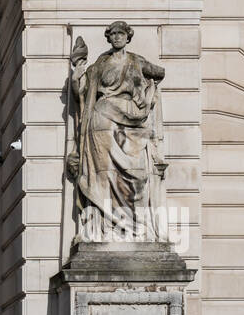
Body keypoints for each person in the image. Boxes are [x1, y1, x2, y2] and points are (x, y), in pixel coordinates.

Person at [65, 20, 168, 243]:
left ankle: (134, 226)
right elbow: (83, 90)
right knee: (103, 173)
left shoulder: (135, 60)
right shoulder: (101, 64)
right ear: (109, 37)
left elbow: (160, 72)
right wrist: (77, 74)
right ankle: (103, 224)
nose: (117, 37)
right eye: (113, 34)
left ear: (128, 37)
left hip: (130, 119)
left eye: (121, 34)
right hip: (101, 120)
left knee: (137, 176)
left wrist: (148, 86)